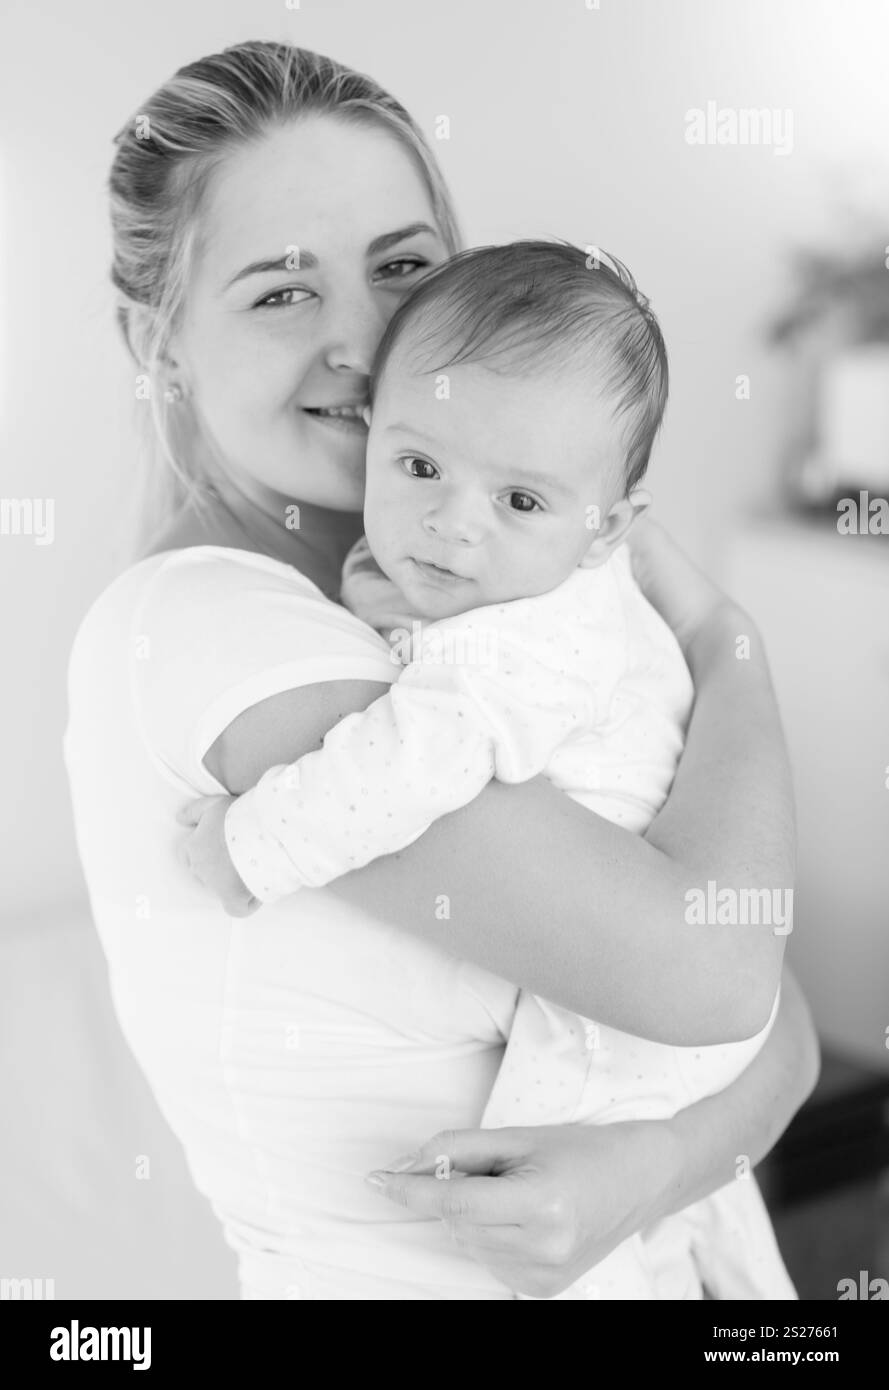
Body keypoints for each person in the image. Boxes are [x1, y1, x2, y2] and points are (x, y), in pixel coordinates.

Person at [64, 40, 818, 1300]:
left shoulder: (459, 609)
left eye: (402, 268)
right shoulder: (204, 630)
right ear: (160, 340)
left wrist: (644, 1170)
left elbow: (780, 1031)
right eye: (279, 290)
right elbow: (720, 969)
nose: (368, 338)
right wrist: (730, 648)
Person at [180, 239, 796, 1300]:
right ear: (378, 433)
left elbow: (404, 765)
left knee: (542, 1228)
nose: (453, 523)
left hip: (638, 1029)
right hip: (698, 996)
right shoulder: (530, 591)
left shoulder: (522, 641)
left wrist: (249, 845)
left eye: (520, 502)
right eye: (420, 468)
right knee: (698, 1238)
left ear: (609, 533)